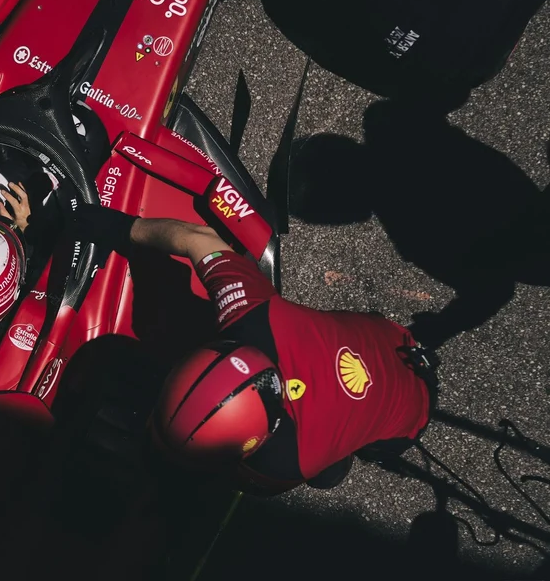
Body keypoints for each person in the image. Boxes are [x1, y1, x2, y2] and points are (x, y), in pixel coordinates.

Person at [70, 203, 439, 494]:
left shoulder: (284, 464)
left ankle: (345, 456)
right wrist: (119, 227)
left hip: (410, 416)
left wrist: (116, 228)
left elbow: (198, 238)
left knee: (327, 476)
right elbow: (199, 238)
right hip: (391, 339)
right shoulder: (252, 314)